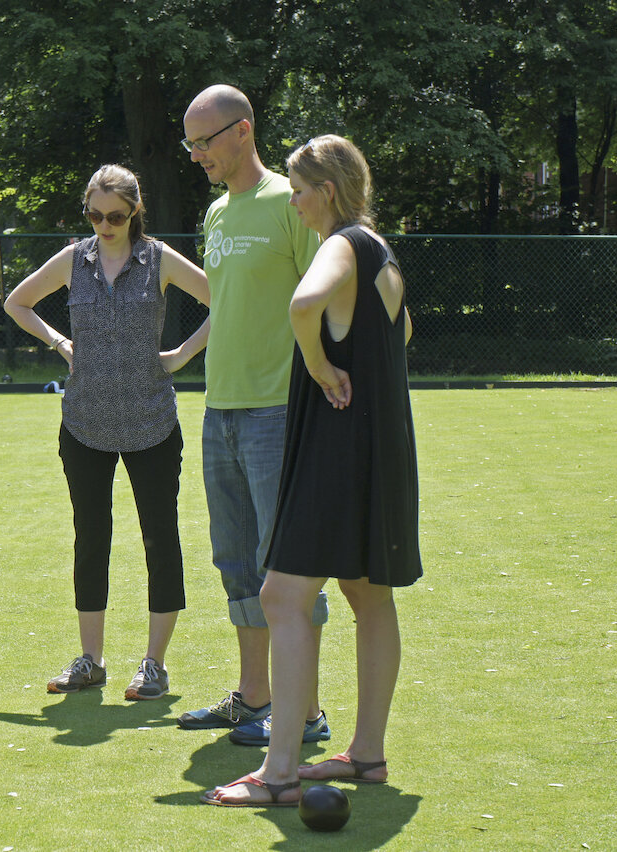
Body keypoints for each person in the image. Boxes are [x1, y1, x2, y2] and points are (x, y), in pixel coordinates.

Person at [202, 134, 422, 807]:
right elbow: (403, 333)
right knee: (368, 594)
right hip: (381, 450)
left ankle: (279, 774)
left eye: (299, 191)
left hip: (335, 450)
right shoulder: (381, 253)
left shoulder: (341, 245)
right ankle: (367, 755)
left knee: (281, 597)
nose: (293, 202)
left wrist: (322, 367)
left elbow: (303, 306)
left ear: (328, 191)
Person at [5, 164, 210, 700]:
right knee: (91, 538)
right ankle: (90, 661)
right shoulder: (74, 260)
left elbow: (228, 298)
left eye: (115, 216)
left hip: (152, 422)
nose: (104, 226)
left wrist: (182, 355)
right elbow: (16, 303)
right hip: (84, 423)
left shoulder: (160, 259)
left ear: (135, 211)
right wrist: (59, 342)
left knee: (160, 538)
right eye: (94, 215)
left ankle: (154, 664)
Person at [176, 84, 332, 747]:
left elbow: (323, 299)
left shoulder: (290, 203)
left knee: (287, 566)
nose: (196, 155)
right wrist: (183, 354)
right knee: (236, 562)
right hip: (221, 412)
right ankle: (255, 698)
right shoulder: (216, 213)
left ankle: (307, 713)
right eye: (189, 144)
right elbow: (227, 304)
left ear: (243, 131)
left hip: (279, 412)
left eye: (204, 141)